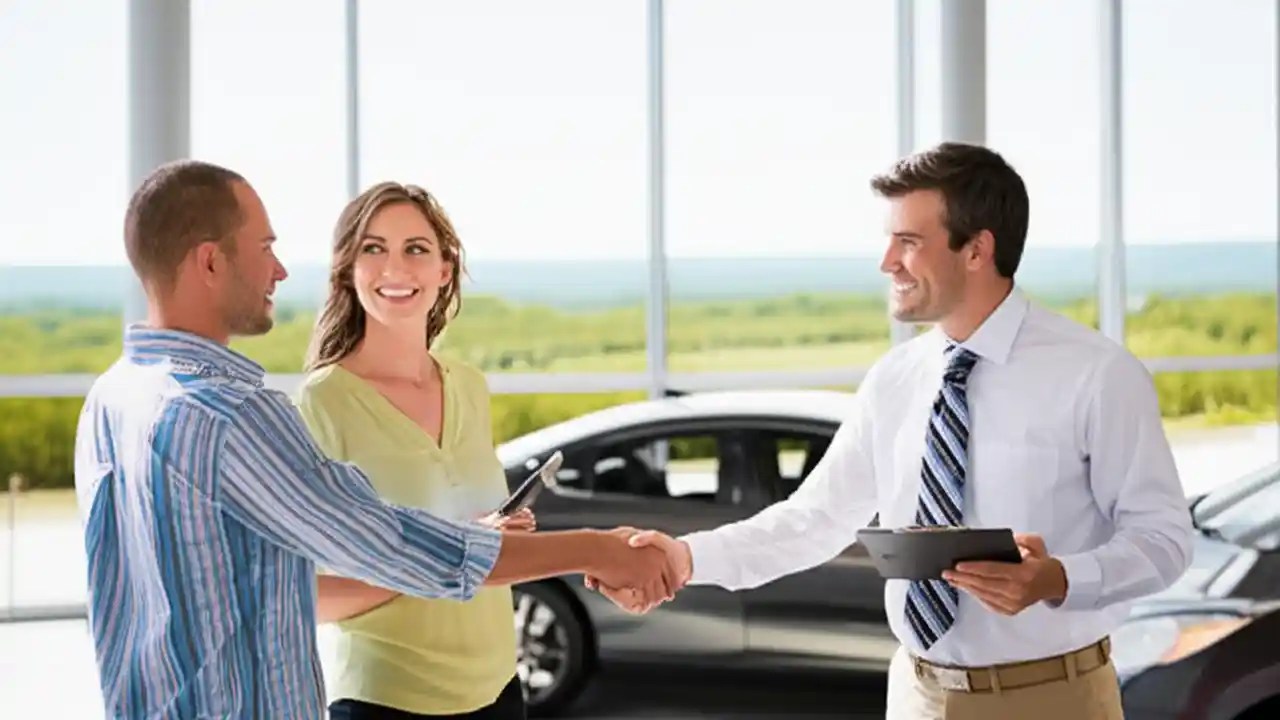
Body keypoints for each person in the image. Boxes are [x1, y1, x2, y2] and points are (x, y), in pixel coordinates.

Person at [593, 142, 1194, 719]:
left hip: (1049, 697)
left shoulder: (1097, 374)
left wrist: (1057, 578)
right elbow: (814, 521)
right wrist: (682, 557)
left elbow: (1164, 540)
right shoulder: (895, 380)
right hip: (916, 694)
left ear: (977, 249)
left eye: (908, 242)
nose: (887, 263)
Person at [73, 160, 674, 719]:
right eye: (265, 249)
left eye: (416, 249)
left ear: (445, 268)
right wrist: (600, 549)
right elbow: (393, 546)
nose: (279, 270)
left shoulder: (114, 397)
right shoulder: (232, 417)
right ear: (210, 262)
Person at [295, 181, 533, 719]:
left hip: (499, 689)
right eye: (373, 249)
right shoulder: (323, 403)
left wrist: (495, 537)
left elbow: (481, 545)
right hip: (386, 699)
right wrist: (452, 551)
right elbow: (305, 594)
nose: (394, 269)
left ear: (444, 269)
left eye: (416, 249)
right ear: (347, 269)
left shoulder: (469, 386)